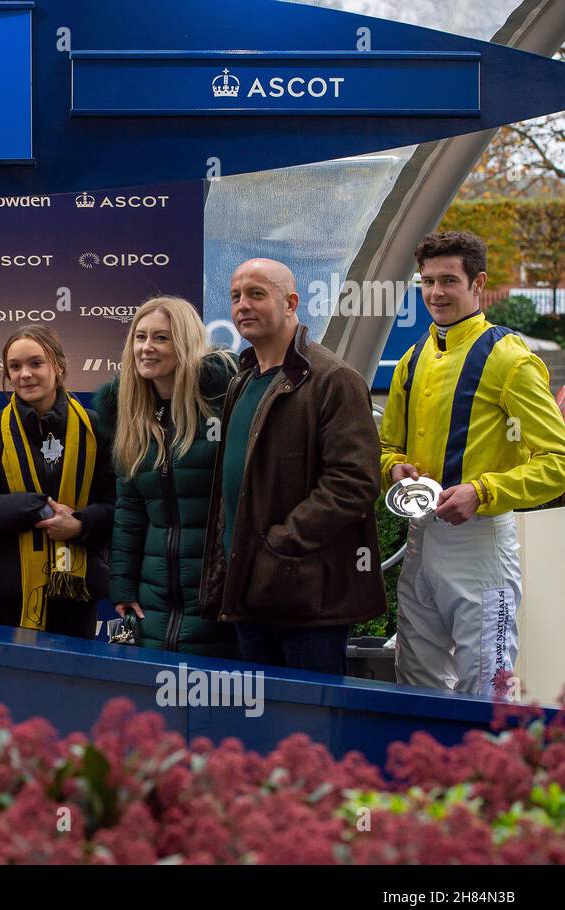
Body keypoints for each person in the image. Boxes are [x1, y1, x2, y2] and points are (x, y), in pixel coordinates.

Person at [380, 231, 565, 695]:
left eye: (448, 281)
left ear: (478, 283)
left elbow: (559, 461)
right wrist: (393, 469)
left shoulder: (509, 359)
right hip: (421, 539)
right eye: (427, 282)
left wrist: (482, 492)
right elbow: (388, 448)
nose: (436, 293)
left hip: (482, 543)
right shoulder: (412, 357)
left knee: (486, 687)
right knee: (415, 683)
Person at [199, 258, 386, 675]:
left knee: (309, 730)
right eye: (235, 296)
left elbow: (354, 481)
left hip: (307, 601)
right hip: (249, 592)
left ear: (291, 303)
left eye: (256, 294)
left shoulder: (333, 379)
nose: (242, 305)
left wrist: (279, 545)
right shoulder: (242, 380)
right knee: (265, 731)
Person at [93, 296, 237, 657]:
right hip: (154, 598)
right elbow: (129, 511)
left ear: (185, 344)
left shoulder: (224, 405)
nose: (146, 348)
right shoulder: (131, 416)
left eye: (161, 338)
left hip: (218, 593)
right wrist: (123, 586)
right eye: (140, 337)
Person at [0, 327, 114, 637]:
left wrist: (80, 524)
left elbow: (120, 507)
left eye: (36, 363)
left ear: (58, 366)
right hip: (9, 595)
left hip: (76, 592)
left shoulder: (97, 428)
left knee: (72, 681)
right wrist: (35, 507)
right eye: (15, 367)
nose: (25, 374)